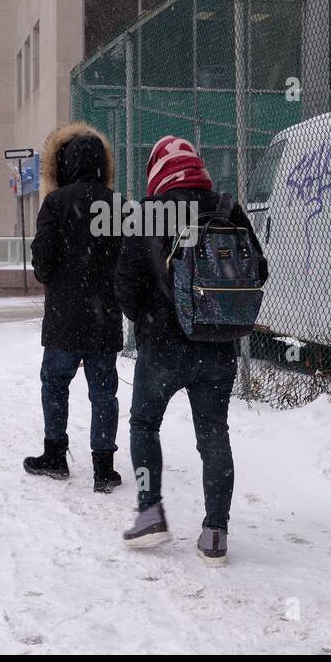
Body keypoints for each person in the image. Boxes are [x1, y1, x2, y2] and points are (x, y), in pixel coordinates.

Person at [114, 135, 267, 567]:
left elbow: (125, 286)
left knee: (144, 424)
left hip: (161, 347)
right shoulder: (227, 208)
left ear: (158, 171)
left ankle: (150, 513)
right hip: (218, 345)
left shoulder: (147, 213)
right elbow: (260, 269)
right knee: (213, 436)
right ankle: (215, 532)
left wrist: (147, 318)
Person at [25, 122, 124, 493]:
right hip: (105, 317)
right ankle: (104, 467)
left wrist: (52, 273)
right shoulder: (119, 205)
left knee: (55, 383)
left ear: (62, 164)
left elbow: (43, 263)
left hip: (64, 317)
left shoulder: (55, 202)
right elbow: (131, 261)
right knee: (103, 391)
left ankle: (55, 455)